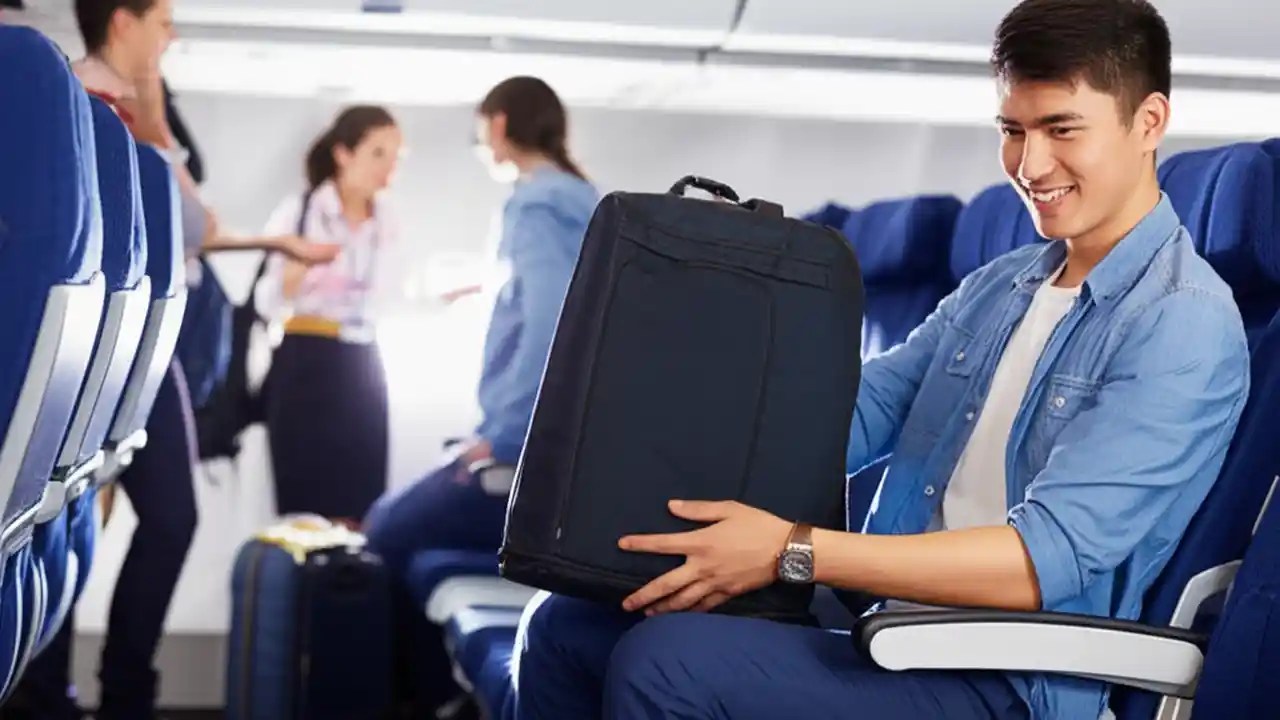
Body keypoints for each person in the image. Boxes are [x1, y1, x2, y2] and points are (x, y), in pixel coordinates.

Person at [510, 2, 1252, 720]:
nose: (1029, 163)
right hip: (891, 628)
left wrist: (791, 553)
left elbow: (1041, 561)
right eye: (1012, 129)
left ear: (1148, 121)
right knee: (567, 627)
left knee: (666, 663)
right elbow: (848, 417)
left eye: (1061, 129)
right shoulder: (1005, 284)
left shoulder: (1180, 322)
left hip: (1002, 677)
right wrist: (654, 404)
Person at [9, 2, 334, 717]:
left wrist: (156, 112)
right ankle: (52, 692)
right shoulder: (79, 94)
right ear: (121, 20)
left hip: (149, 339)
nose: (172, 36)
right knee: (59, 510)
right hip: (100, 335)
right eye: (162, 21)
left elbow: (196, 225)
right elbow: (188, 224)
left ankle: (113, 687)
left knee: (134, 515)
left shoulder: (144, 109)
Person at [361, 76, 600, 715]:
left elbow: (551, 327)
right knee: (409, 538)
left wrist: (506, 435)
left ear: (497, 125)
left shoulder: (536, 204)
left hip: (525, 455)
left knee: (385, 530)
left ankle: (421, 704)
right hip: (547, 450)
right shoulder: (581, 201)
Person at [262, 105, 405, 523]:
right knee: (303, 500)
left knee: (361, 499)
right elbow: (267, 300)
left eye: (396, 157)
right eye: (378, 153)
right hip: (305, 357)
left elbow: (393, 294)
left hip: (363, 361)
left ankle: (346, 584)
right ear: (344, 153)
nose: (389, 167)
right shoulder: (301, 210)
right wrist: (300, 264)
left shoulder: (388, 219)